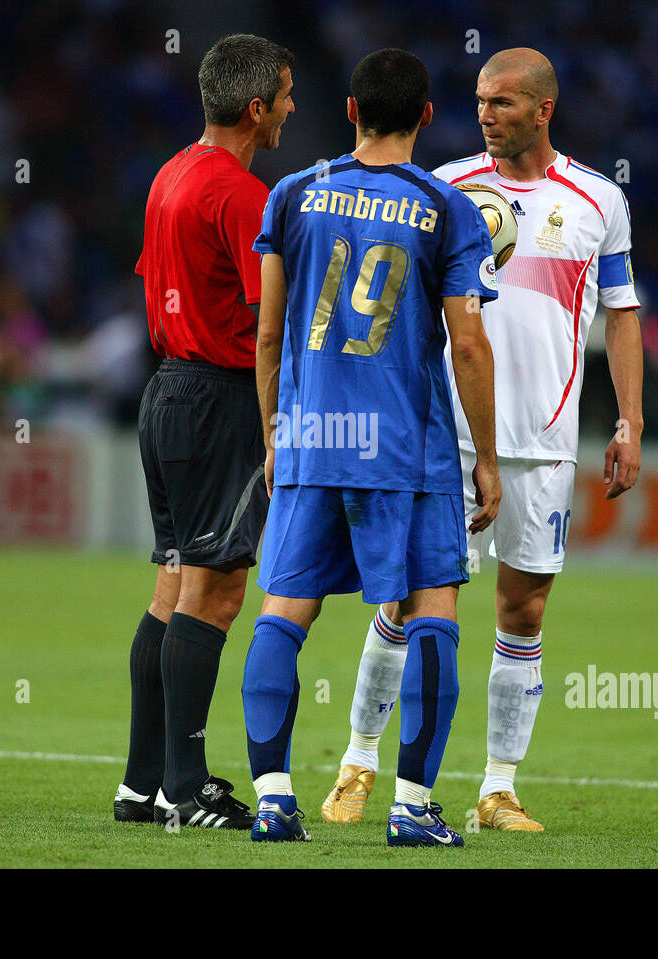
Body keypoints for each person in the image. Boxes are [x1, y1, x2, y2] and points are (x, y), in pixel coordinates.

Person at [321, 48, 645, 832]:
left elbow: (623, 309)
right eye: (478, 101)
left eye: (502, 103)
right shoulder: (447, 189)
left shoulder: (599, 199)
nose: (486, 115)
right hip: (446, 435)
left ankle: (498, 787)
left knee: (525, 610)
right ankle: (358, 763)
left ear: (543, 109)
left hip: (545, 437)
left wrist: (631, 418)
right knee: (408, 600)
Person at [243, 48, 500, 847]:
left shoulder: (292, 194)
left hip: (314, 436)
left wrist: (275, 438)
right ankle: (413, 806)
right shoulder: (446, 208)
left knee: (284, 613)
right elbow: (468, 343)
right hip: (406, 448)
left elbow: (267, 335)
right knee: (433, 614)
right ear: (428, 116)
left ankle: (274, 799)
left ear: (350, 111)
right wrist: (486, 457)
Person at [117, 34, 295, 830]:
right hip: (221, 398)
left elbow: (156, 286)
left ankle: (142, 783)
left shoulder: (170, 175)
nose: (294, 106)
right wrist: (277, 420)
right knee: (218, 592)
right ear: (257, 108)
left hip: (167, 393)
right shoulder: (241, 194)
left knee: (172, 586)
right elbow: (269, 325)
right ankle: (187, 790)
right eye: (286, 96)